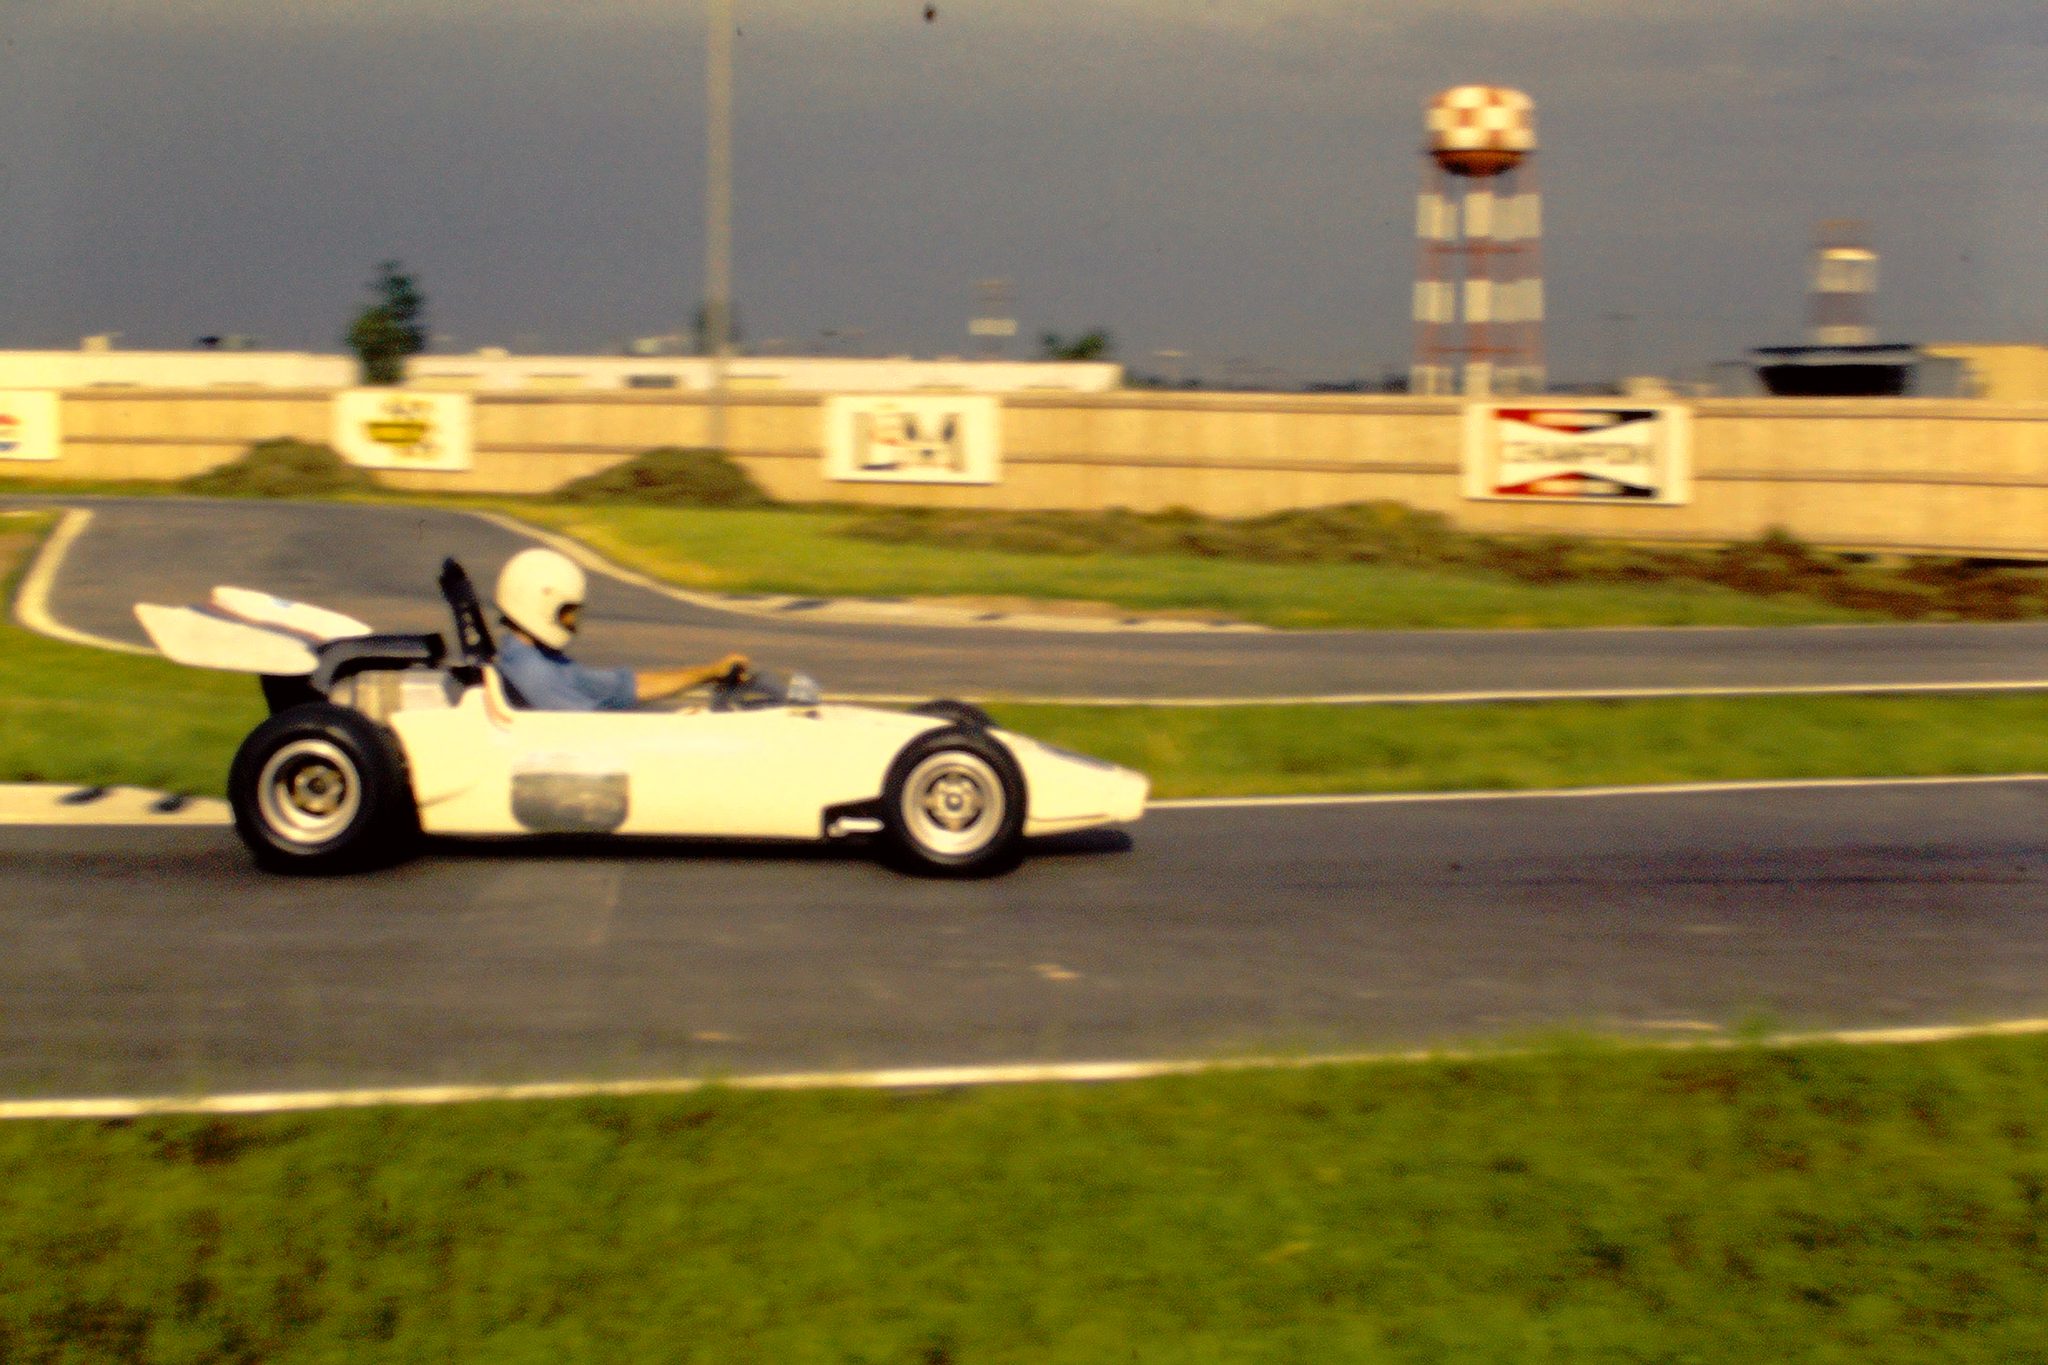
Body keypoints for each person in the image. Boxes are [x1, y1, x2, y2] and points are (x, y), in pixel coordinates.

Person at [492, 547, 748, 711]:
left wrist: (709, 672)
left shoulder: (538, 659)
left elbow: (626, 686)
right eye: (567, 613)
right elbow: (588, 735)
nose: (572, 623)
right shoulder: (535, 673)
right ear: (541, 604)